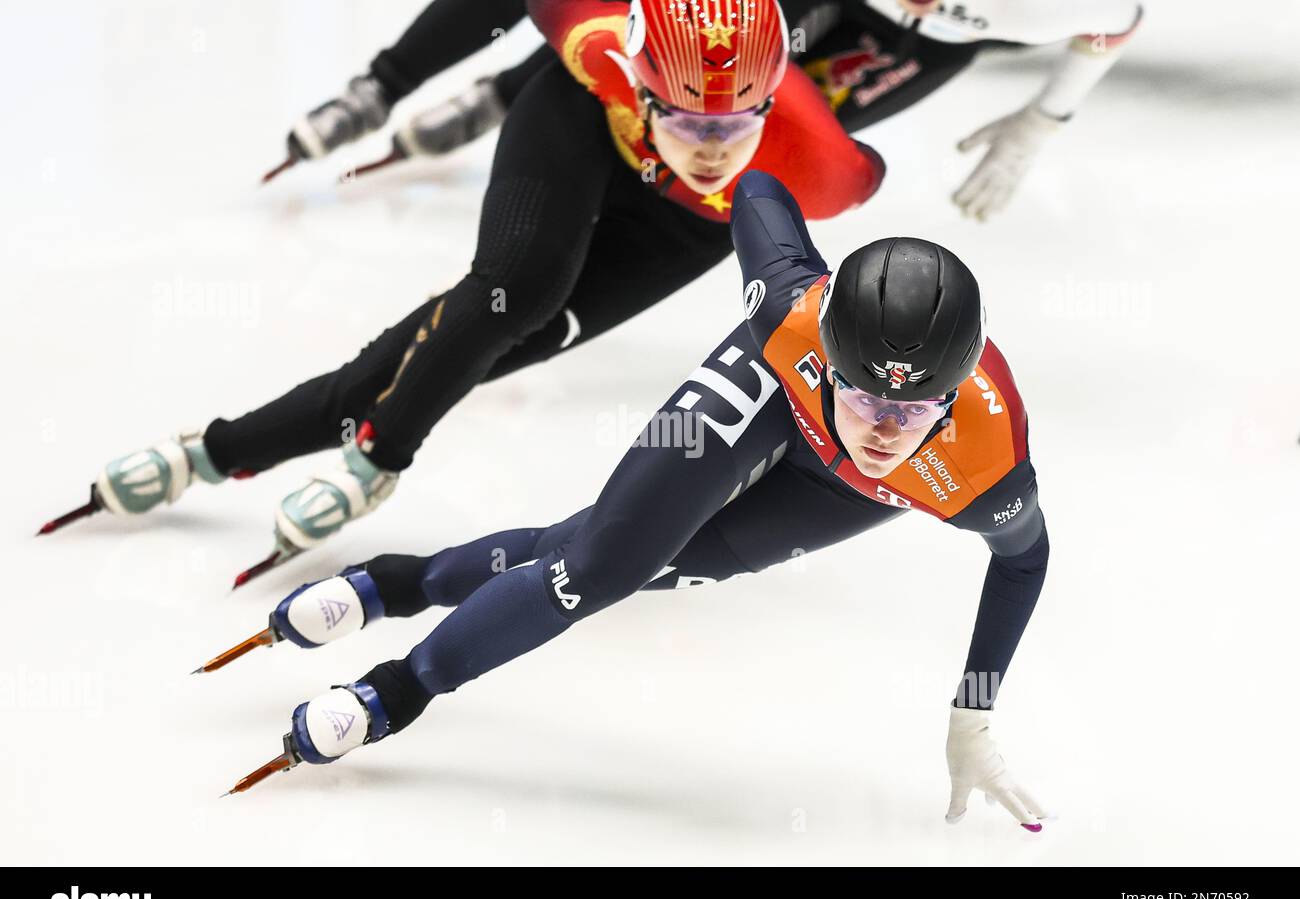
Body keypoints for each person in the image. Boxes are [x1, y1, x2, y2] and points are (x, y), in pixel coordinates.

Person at [229, 170, 1051, 830]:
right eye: (866, 396)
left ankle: (399, 584)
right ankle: (397, 690)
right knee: (596, 568)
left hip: (838, 490)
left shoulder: (985, 468)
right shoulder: (789, 313)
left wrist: (971, 715)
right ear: (830, 359)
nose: (884, 427)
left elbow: (1024, 566)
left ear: (950, 402)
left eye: (911, 411)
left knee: (599, 551)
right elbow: (762, 187)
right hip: (767, 392)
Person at [63, 0, 884, 580]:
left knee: (486, 344)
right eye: (683, 119)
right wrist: (391, 87)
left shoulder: (825, 167)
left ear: (773, 107)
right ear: (638, 85)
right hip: (581, 123)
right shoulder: (592, 35)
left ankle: (215, 452)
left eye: (735, 124)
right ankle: (375, 461)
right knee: (513, 291)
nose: (709, 147)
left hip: (680, 225)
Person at [280, 0, 1142, 221]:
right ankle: (399, 84)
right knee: (715, 49)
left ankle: (509, 98)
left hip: (943, 46)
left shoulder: (1057, 6)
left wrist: (1043, 122)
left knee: (769, 124)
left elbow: (1114, 27)